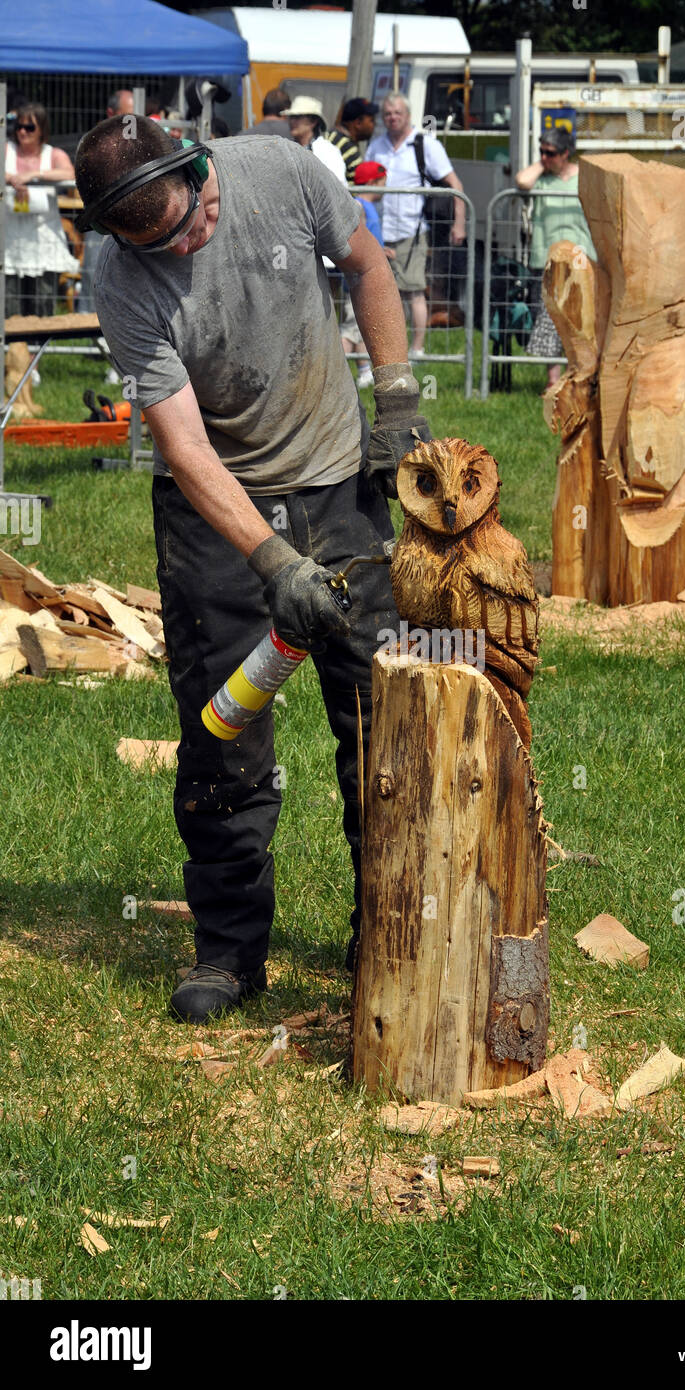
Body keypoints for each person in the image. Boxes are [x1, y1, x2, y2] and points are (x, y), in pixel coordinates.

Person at [73, 116, 431, 1023]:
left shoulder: (281, 170)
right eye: (162, 242)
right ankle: (229, 951)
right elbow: (185, 447)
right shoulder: (118, 277)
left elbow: (366, 266)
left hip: (340, 483)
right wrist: (270, 560)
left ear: (197, 166)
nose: (189, 244)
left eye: (193, 222)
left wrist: (395, 396)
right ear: (119, 234)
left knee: (382, 717)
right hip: (216, 514)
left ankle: (390, 928)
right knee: (224, 735)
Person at [366, 93, 465, 357]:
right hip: (380, 230)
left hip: (413, 230)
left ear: (408, 115)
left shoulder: (426, 145)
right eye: (387, 113)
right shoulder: (376, 146)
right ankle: (387, 349)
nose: (392, 117)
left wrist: (460, 224)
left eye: (397, 112)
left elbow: (455, 185)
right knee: (382, 292)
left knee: (414, 291)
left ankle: (417, 350)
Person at [515, 125, 596, 387]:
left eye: (550, 153)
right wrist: (541, 163)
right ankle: (552, 381)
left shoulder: (584, 176)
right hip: (546, 259)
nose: (544, 157)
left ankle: (580, 376)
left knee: (581, 319)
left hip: (581, 259)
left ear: (565, 154)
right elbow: (521, 181)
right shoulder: (541, 177)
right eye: (541, 152)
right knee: (550, 319)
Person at [4, 102, 78, 316]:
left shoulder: (52, 154)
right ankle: (12, 348)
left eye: (29, 128)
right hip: (11, 237)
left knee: (42, 302)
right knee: (10, 304)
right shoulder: (6, 149)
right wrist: (9, 178)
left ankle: (39, 347)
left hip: (43, 236)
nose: (22, 131)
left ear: (42, 130)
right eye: (19, 126)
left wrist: (34, 175)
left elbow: (69, 173)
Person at [340, 160, 395, 388]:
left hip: (354, 277)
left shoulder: (355, 204)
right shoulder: (364, 208)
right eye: (384, 183)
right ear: (376, 181)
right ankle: (357, 372)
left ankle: (356, 371)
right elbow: (364, 243)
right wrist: (380, 253)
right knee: (358, 328)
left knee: (356, 327)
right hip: (361, 280)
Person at [285, 96, 346, 183]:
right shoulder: (286, 148)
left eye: (297, 117)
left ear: (313, 121)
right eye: (291, 117)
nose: (292, 121)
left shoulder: (327, 151)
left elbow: (338, 185)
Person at [326, 98, 378, 179]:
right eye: (371, 120)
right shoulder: (349, 149)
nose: (375, 124)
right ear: (358, 123)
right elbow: (353, 188)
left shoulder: (327, 136)